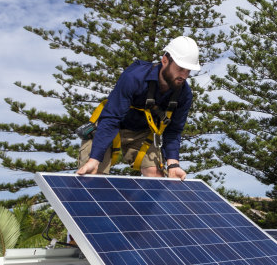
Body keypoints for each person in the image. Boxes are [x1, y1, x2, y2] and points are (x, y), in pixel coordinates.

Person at [76, 36, 200, 180]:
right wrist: (94, 159)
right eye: (180, 68)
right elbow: (112, 118)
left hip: (142, 133)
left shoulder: (184, 94)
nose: (184, 75)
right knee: (93, 176)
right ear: (165, 60)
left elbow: (174, 130)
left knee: (156, 177)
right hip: (109, 127)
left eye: (188, 71)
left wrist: (173, 165)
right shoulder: (134, 77)